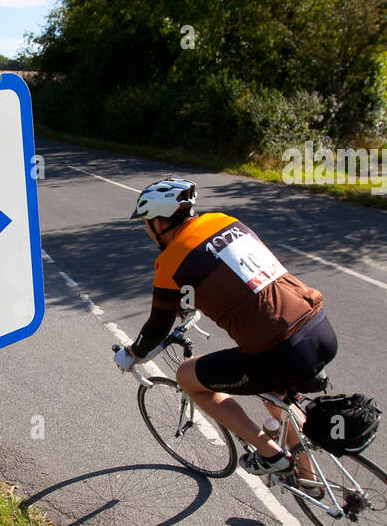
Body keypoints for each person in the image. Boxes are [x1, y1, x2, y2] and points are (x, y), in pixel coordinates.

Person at [114, 179, 338, 481]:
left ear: (159, 221)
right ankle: (308, 478)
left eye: (146, 222)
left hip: (279, 350)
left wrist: (133, 354)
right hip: (318, 327)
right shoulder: (226, 221)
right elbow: (238, 277)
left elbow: (157, 327)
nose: (145, 230)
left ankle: (269, 453)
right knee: (274, 391)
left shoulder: (170, 261)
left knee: (188, 376)